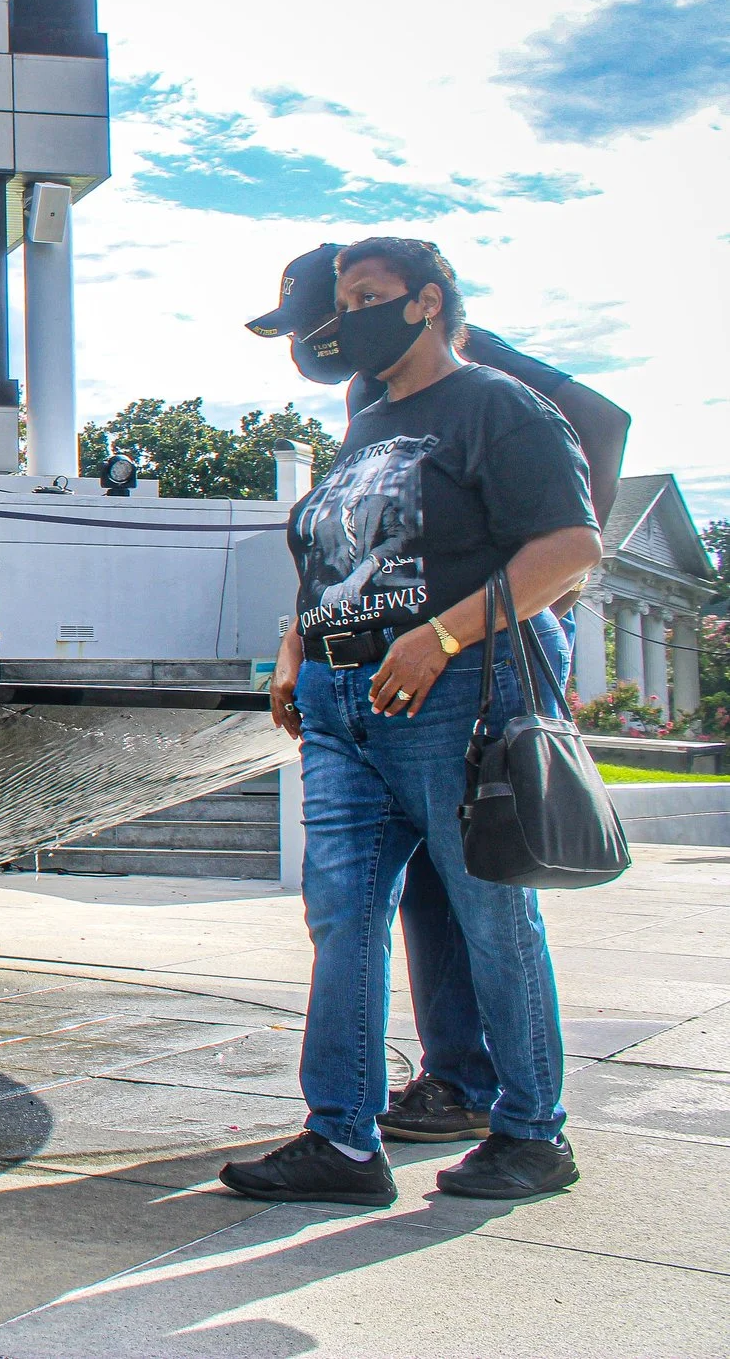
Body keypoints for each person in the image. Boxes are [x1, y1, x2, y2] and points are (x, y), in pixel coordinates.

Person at [221, 237, 600, 1208]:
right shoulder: (368, 422)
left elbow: (569, 547)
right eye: (341, 300)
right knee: (342, 916)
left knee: (487, 909)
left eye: (367, 297)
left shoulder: (496, 406)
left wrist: (442, 633)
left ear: (426, 303)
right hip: (343, 701)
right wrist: (296, 650)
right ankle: (340, 1140)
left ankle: (530, 1130)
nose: (345, 318)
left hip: (453, 690)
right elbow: (342, 555)